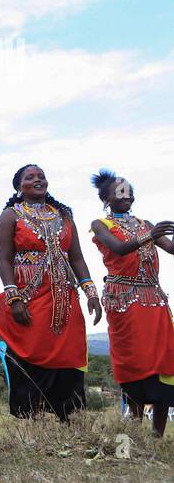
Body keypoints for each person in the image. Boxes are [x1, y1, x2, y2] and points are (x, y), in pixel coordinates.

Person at [0, 165, 101, 421]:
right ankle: (30, 414)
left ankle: (67, 414)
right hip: (29, 295)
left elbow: (78, 258)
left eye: (41, 176)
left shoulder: (63, 215)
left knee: (68, 352)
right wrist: (12, 297)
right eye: (30, 177)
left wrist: (91, 292)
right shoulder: (10, 216)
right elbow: (4, 260)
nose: (38, 180)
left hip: (65, 295)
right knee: (31, 349)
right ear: (19, 186)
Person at [89, 169, 174, 436]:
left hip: (154, 300)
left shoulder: (146, 224)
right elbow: (119, 248)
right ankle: (133, 434)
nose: (127, 194)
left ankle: (156, 436)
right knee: (134, 364)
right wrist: (151, 235)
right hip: (124, 301)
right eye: (119, 190)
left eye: (129, 190)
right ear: (106, 198)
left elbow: (170, 248)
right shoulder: (101, 224)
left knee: (165, 362)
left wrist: (154, 233)